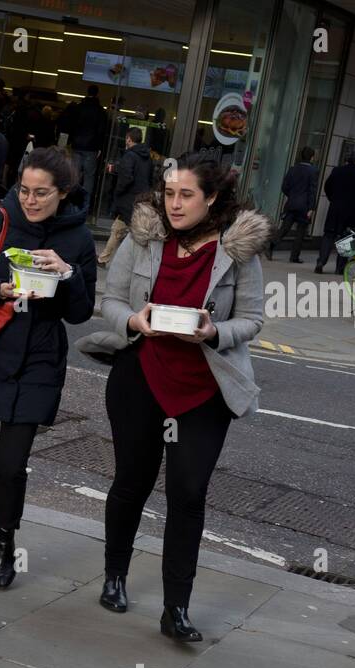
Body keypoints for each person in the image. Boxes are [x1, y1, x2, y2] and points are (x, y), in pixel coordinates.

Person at [94, 153, 269, 642]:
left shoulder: (239, 251)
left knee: (188, 495)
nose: (174, 204)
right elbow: (109, 300)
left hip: (204, 389)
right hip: (141, 377)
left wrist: (215, 332)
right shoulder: (143, 237)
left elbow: (253, 320)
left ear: (211, 197)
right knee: (131, 480)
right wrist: (133, 320)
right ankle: (115, 576)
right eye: (169, 193)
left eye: (186, 195)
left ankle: (176, 609)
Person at [0, 147, 97, 591]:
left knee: (11, 466)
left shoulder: (78, 240)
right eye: (24, 190)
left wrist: (68, 273)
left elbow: (81, 313)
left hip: (39, 360)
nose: (30, 200)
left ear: (62, 193)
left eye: (41, 193)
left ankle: (7, 542)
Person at [98, 127, 153, 263]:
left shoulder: (129, 155)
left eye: (126, 138)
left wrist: (118, 192)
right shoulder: (148, 157)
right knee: (121, 229)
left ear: (129, 139)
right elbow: (150, 178)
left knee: (121, 230)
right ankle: (103, 258)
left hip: (128, 199)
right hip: (141, 200)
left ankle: (106, 259)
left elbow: (126, 178)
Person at [314, 150, 355, 273]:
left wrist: (333, 199)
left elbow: (327, 186)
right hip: (351, 212)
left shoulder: (337, 171)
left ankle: (321, 262)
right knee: (346, 239)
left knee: (328, 235)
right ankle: (339, 268)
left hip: (335, 208)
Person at [268, 146, 317, 262]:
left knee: (285, 228)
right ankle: (294, 256)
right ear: (312, 157)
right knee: (300, 232)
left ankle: (271, 246)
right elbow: (312, 190)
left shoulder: (293, 169)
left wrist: (292, 196)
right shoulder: (313, 171)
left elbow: (285, 187)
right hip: (304, 206)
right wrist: (311, 207)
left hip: (292, 203)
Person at [65, 85, 107, 214]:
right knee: (89, 177)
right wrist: (99, 147)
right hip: (92, 147)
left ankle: (72, 203)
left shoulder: (78, 108)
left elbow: (71, 126)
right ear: (97, 94)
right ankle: (85, 206)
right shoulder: (100, 111)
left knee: (75, 175)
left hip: (77, 145)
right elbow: (101, 131)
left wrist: (71, 141)